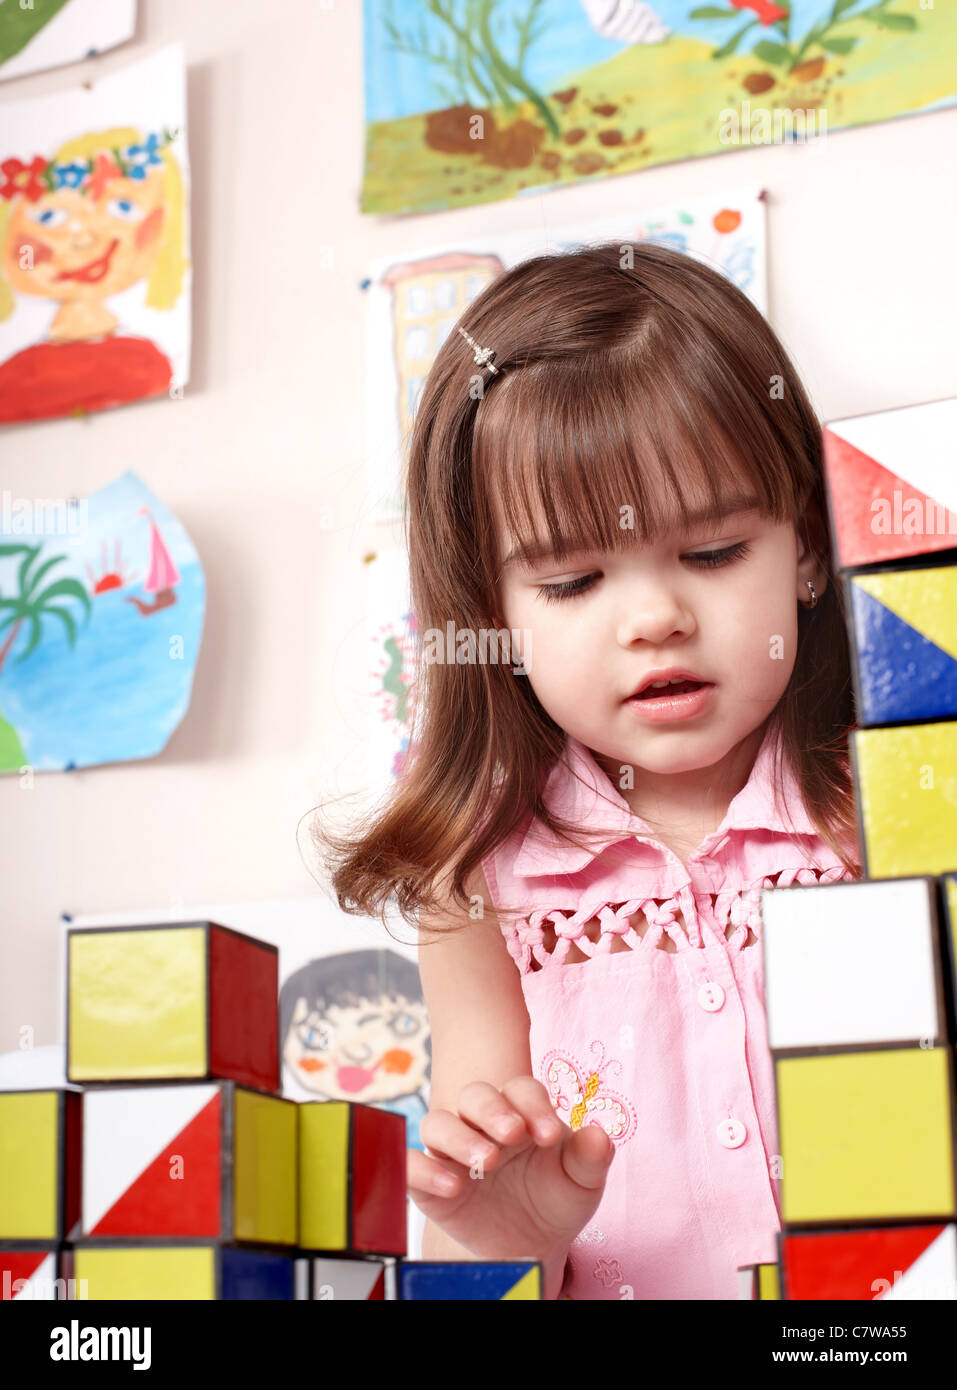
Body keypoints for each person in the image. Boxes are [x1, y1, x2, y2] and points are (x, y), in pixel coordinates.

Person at [316, 240, 862, 1300]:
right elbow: (484, 1260)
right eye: (572, 580)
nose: (655, 617)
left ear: (801, 546)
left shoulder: (890, 808)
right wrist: (502, 1234)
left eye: (711, 555)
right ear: (494, 616)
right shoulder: (473, 880)